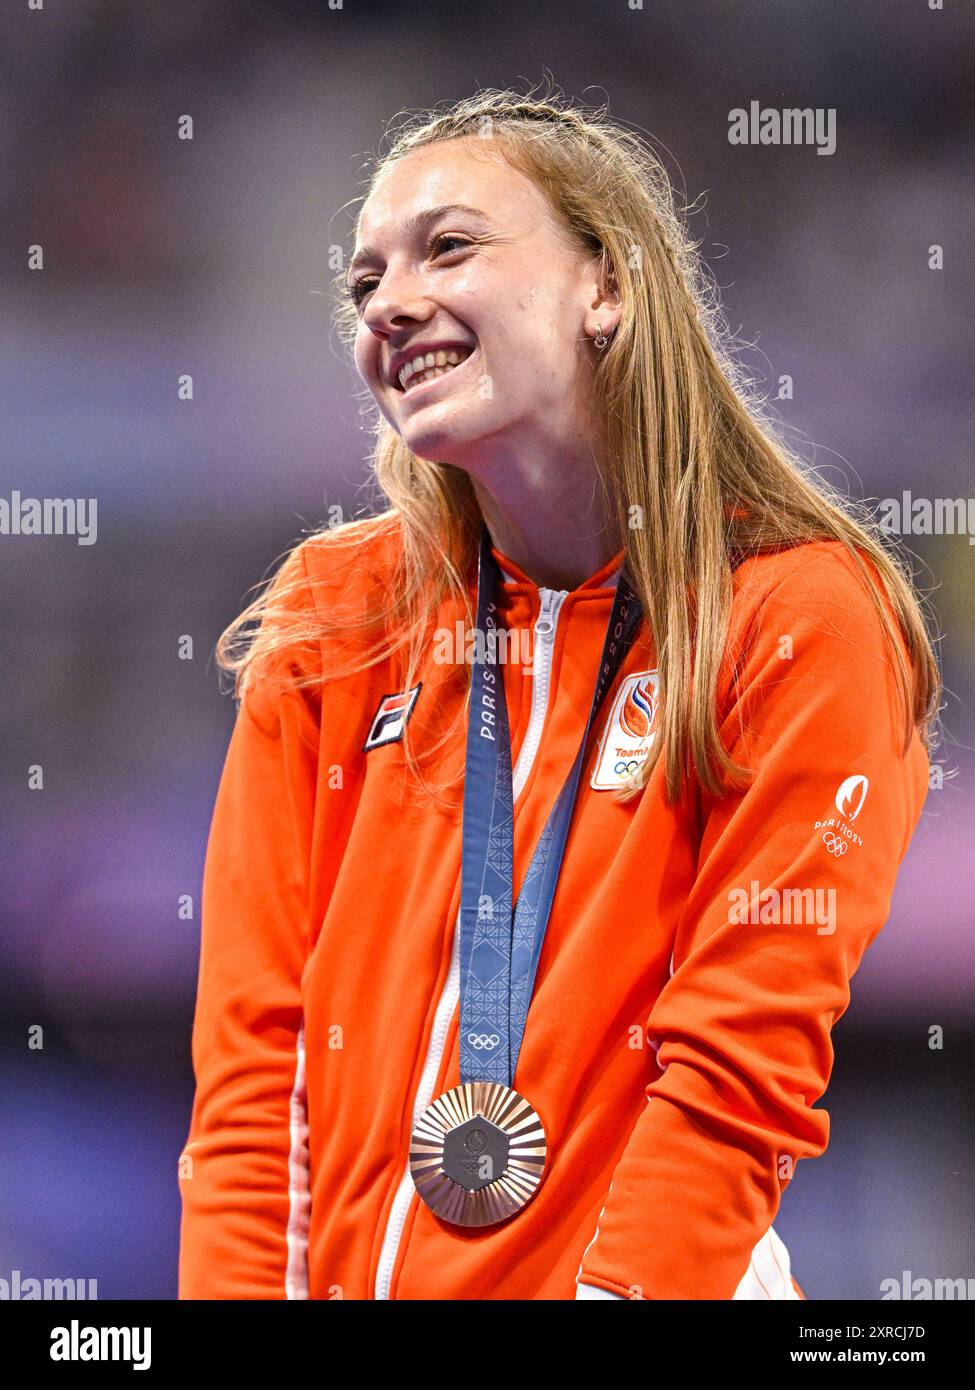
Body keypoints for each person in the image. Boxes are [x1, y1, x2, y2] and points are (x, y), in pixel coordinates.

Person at [177, 85, 940, 1300]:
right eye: (363, 282)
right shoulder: (337, 618)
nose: (391, 302)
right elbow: (255, 1075)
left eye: (451, 247)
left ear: (609, 285)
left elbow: (738, 1068)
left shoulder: (797, 620)